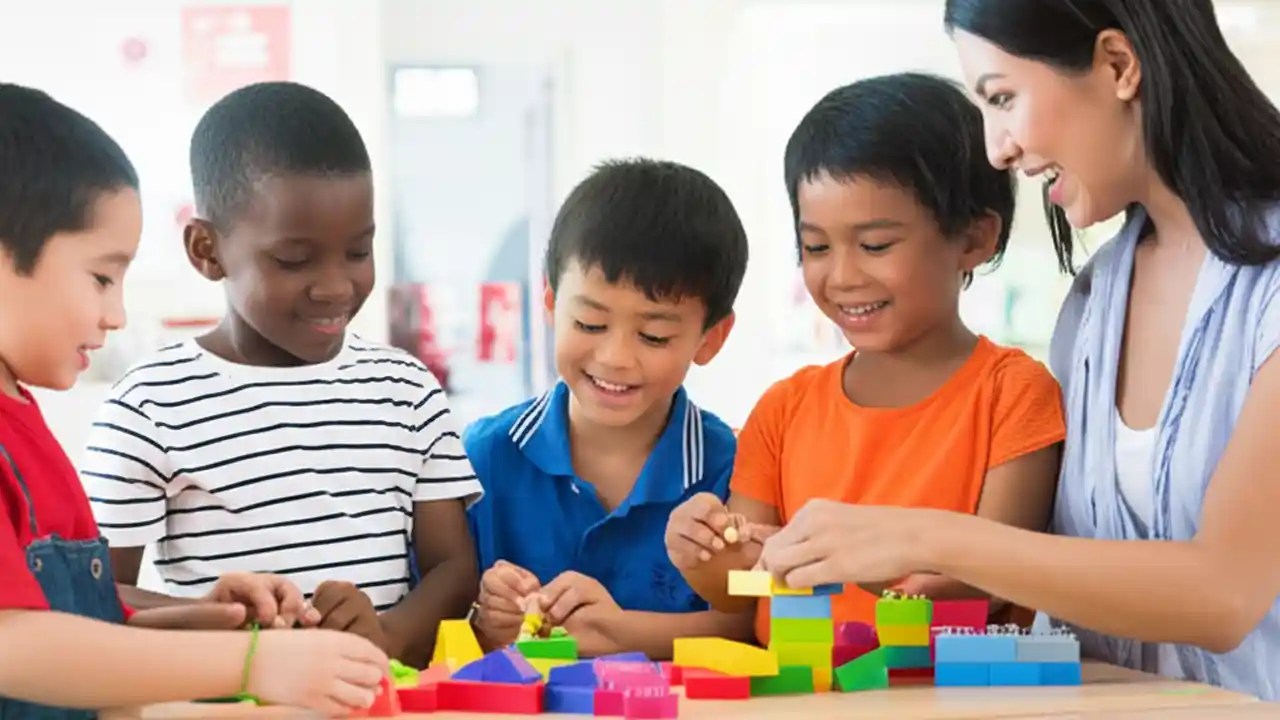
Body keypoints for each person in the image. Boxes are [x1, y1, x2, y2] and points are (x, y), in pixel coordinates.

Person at [757, 0, 1280, 701]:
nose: (996, 147)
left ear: (1118, 65)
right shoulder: (1094, 305)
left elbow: (1224, 595)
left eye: (1002, 98)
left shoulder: (1265, 292)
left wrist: (927, 538)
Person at [0, 83, 388, 717]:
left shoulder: (23, 421)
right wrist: (252, 663)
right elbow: (13, 645)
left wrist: (208, 617)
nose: (117, 314)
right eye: (101, 277)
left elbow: (79, 619)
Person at [81, 81, 483, 669]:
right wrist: (227, 629)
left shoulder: (406, 390)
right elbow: (94, 594)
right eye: (294, 260)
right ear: (206, 250)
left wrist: (391, 634)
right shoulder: (149, 406)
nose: (336, 286)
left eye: (358, 251)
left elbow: (454, 568)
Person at [666, 73, 1067, 646]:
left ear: (974, 239)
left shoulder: (1015, 394)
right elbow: (744, 584)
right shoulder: (784, 408)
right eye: (816, 247)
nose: (844, 276)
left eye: (876, 245)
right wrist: (701, 549)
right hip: (804, 701)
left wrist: (876, 558)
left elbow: (995, 580)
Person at [464, 158, 752, 659]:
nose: (615, 358)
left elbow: (758, 625)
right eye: (591, 324)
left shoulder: (736, 466)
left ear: (711, 338)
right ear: (551, 305)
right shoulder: (482, 458)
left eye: (654, 335)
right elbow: (438, 635)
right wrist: (486, 621)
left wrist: (622, 633)